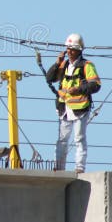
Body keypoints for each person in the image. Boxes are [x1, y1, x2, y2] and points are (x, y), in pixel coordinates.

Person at [45, 33, 101, 173]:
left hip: (80, 108)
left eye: (72, 49)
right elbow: (50, 78)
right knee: (62, 140)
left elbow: (96, 85)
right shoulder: (64, 65)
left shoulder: (87, 66)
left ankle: (79, 168)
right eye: (68, 49)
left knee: (79, 139)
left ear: (79, 50)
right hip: (64, 108)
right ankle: (59, 169)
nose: (69, 52)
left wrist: (79, 89)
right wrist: (57, 62)